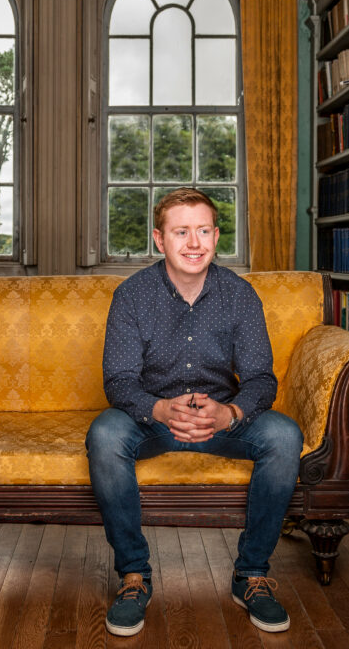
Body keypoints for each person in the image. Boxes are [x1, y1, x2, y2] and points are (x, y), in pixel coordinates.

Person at [86, 187, 303, 637]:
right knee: (105, 433)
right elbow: (119, 380)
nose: (194, 243)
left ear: (216, 236)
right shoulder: (131, 295)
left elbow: (262, 378)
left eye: (203, 231)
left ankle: (251, 576)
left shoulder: (240, 295)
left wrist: (231, 413)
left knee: (283, 435)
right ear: (159, 240)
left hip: (219, 420)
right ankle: (133, 576)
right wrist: (159, 408)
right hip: (152, 421)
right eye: (181, 231)